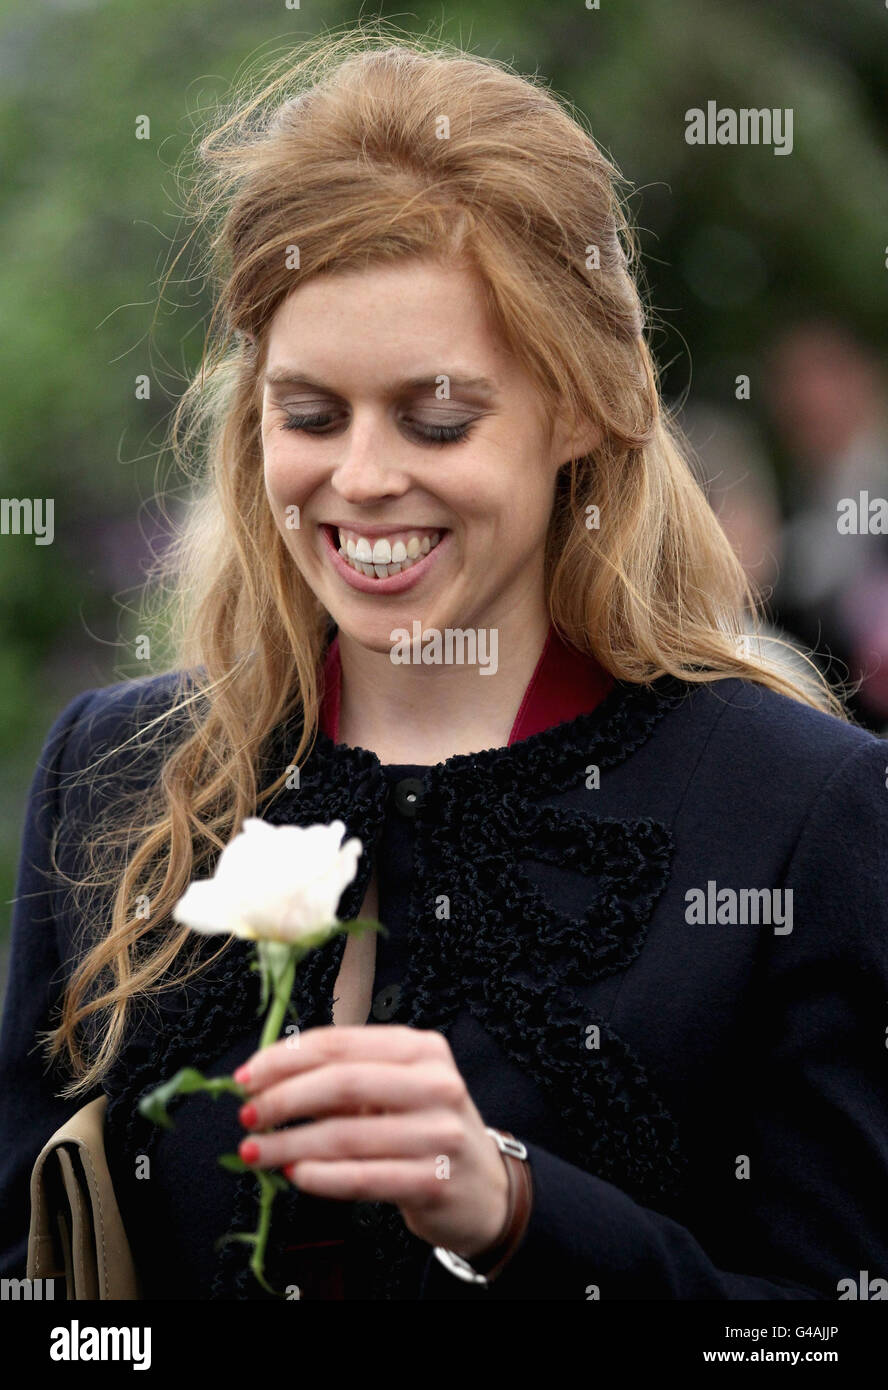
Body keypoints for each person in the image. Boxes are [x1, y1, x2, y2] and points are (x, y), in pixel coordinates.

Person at [1, 31, 886, 1302]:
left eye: (437, 418)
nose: (361, 480)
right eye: (309, 415)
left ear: (580, 405)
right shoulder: (115, 773)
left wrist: (518, 1209)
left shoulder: (802, 815)